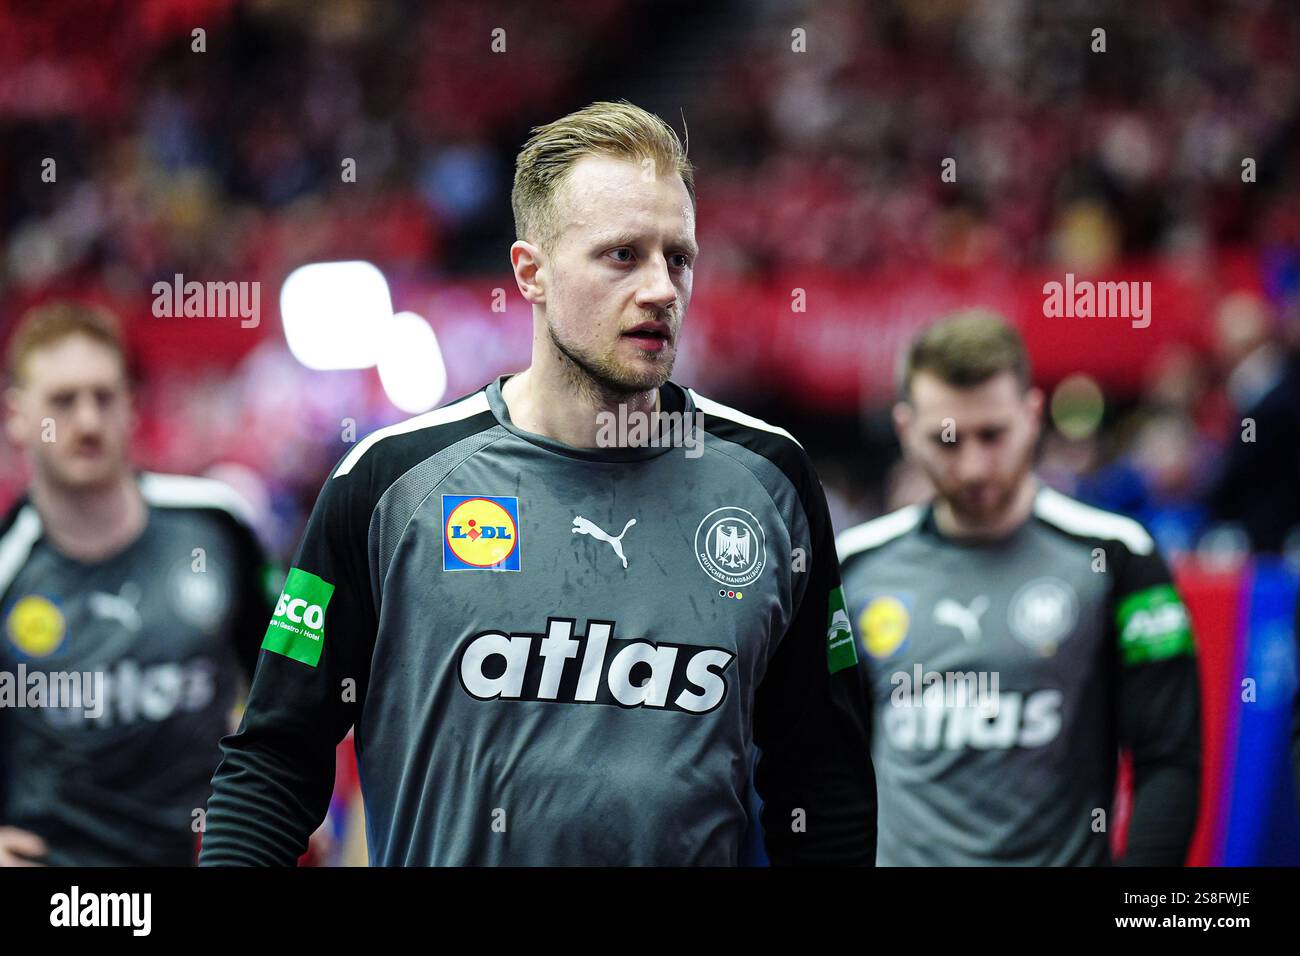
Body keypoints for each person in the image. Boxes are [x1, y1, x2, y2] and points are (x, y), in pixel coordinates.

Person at [199, 100, 876, 866]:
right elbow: (275, 759)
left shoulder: (770, 481)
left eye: (678, 257)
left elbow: (823, 782)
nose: (662, 288)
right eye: (623, 255)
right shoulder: (388, 483)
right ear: (533, 273)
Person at [837, 311, 1201, 865]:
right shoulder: (852, 567)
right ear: (906, 429)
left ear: (1032, 416)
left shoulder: (1120, 557)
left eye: (993, 434)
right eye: (947, 439)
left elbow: (1168, 758)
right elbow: (824, 766)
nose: (975, 466)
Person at [0, 301, 275, 865]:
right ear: (17, 415)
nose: (87, 420)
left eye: (104, 397)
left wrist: (286, 794)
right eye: (62, 401)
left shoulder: (217, 524)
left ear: (130, 406)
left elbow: (295, 671)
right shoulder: (6, 566)